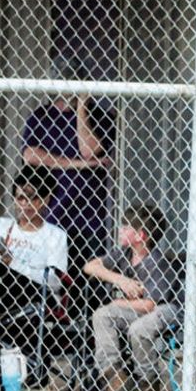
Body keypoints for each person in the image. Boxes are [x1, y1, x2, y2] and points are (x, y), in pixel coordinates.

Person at [85, 204, 182, 391]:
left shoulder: (158, 262)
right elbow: (90, 266)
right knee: (102, 315)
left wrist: (119, 303)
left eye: (126, 227)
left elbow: (148, 305)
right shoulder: (123, 253)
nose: (120, 230)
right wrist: (120, 280)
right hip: (135, 308)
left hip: (165, 310)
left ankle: (148, 385)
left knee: (138, 329)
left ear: (140, 236)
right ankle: (115, 378)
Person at [22, 65, 114, 269]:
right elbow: (30, 156)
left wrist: (81, 108)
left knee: (89, 272)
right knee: (53, 268)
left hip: (90, 212)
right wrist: (81, 165)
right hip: (53, 207)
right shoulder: (41, 116)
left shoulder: (100, 117)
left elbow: (89, 151)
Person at [0, 166, 69, 357]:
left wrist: (12, 263)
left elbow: (55, 281)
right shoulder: (2, 226)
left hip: (34, 292)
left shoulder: (55, 235)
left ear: (46, 200)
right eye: (20, 198)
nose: (26, 204)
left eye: (33, 198)